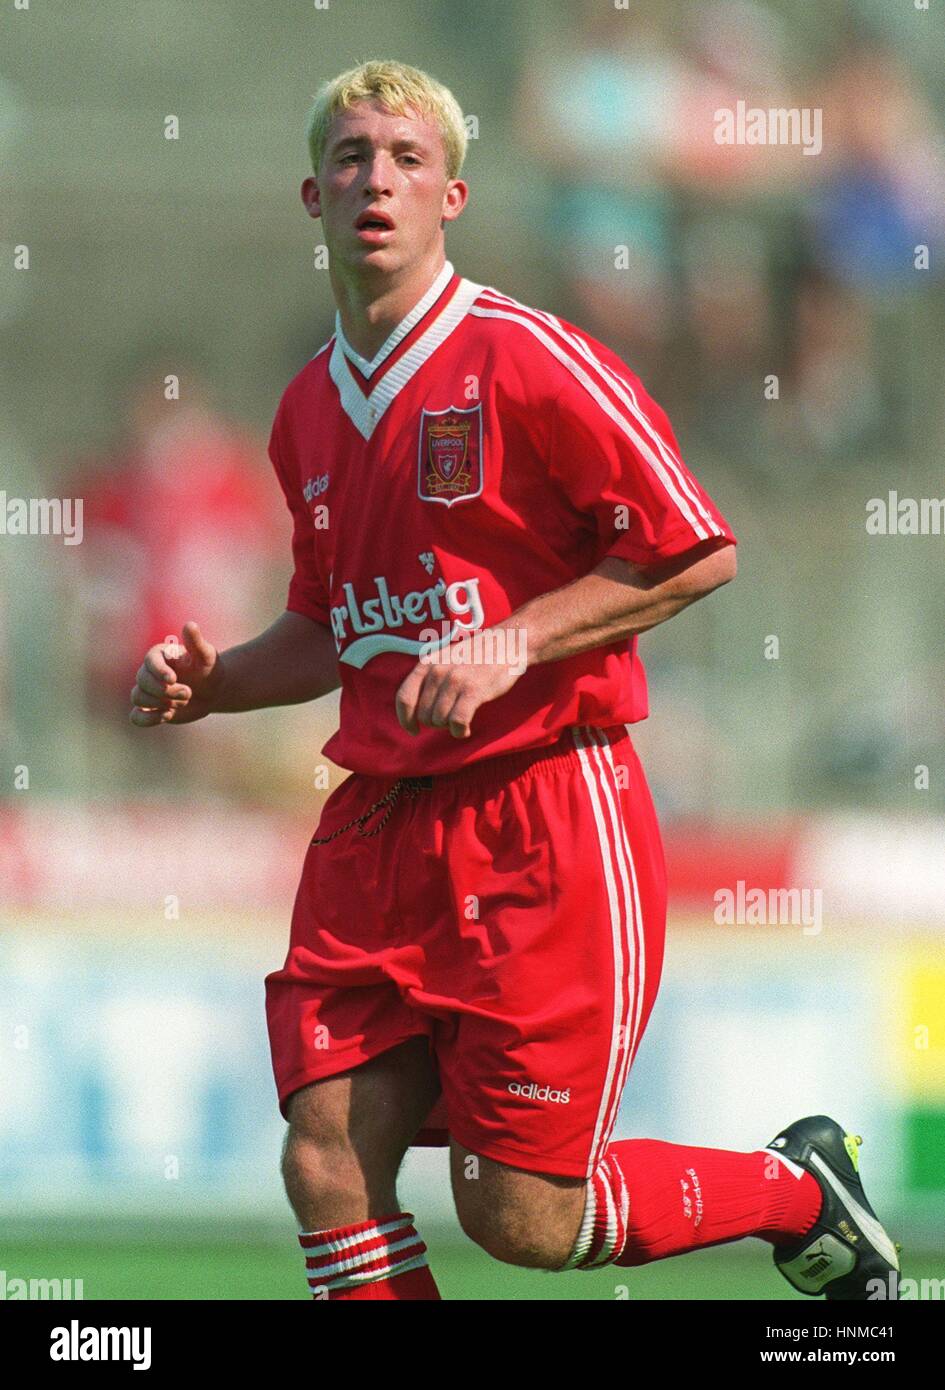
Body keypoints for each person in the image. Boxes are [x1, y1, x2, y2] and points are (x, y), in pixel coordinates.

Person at [129, 60, 900, 1302]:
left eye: (406, 159)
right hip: (375, 828)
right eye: (350, 159)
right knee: (326, 1156)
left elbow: (697, 546)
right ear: (311, 196)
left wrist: (516, 640)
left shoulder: (532, 360)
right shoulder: (302, 415)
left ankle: (798, 1189)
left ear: (454, 196)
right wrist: (221, 682)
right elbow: (338, 630)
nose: (375, 178)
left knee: (523, 1218)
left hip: (540, 814)